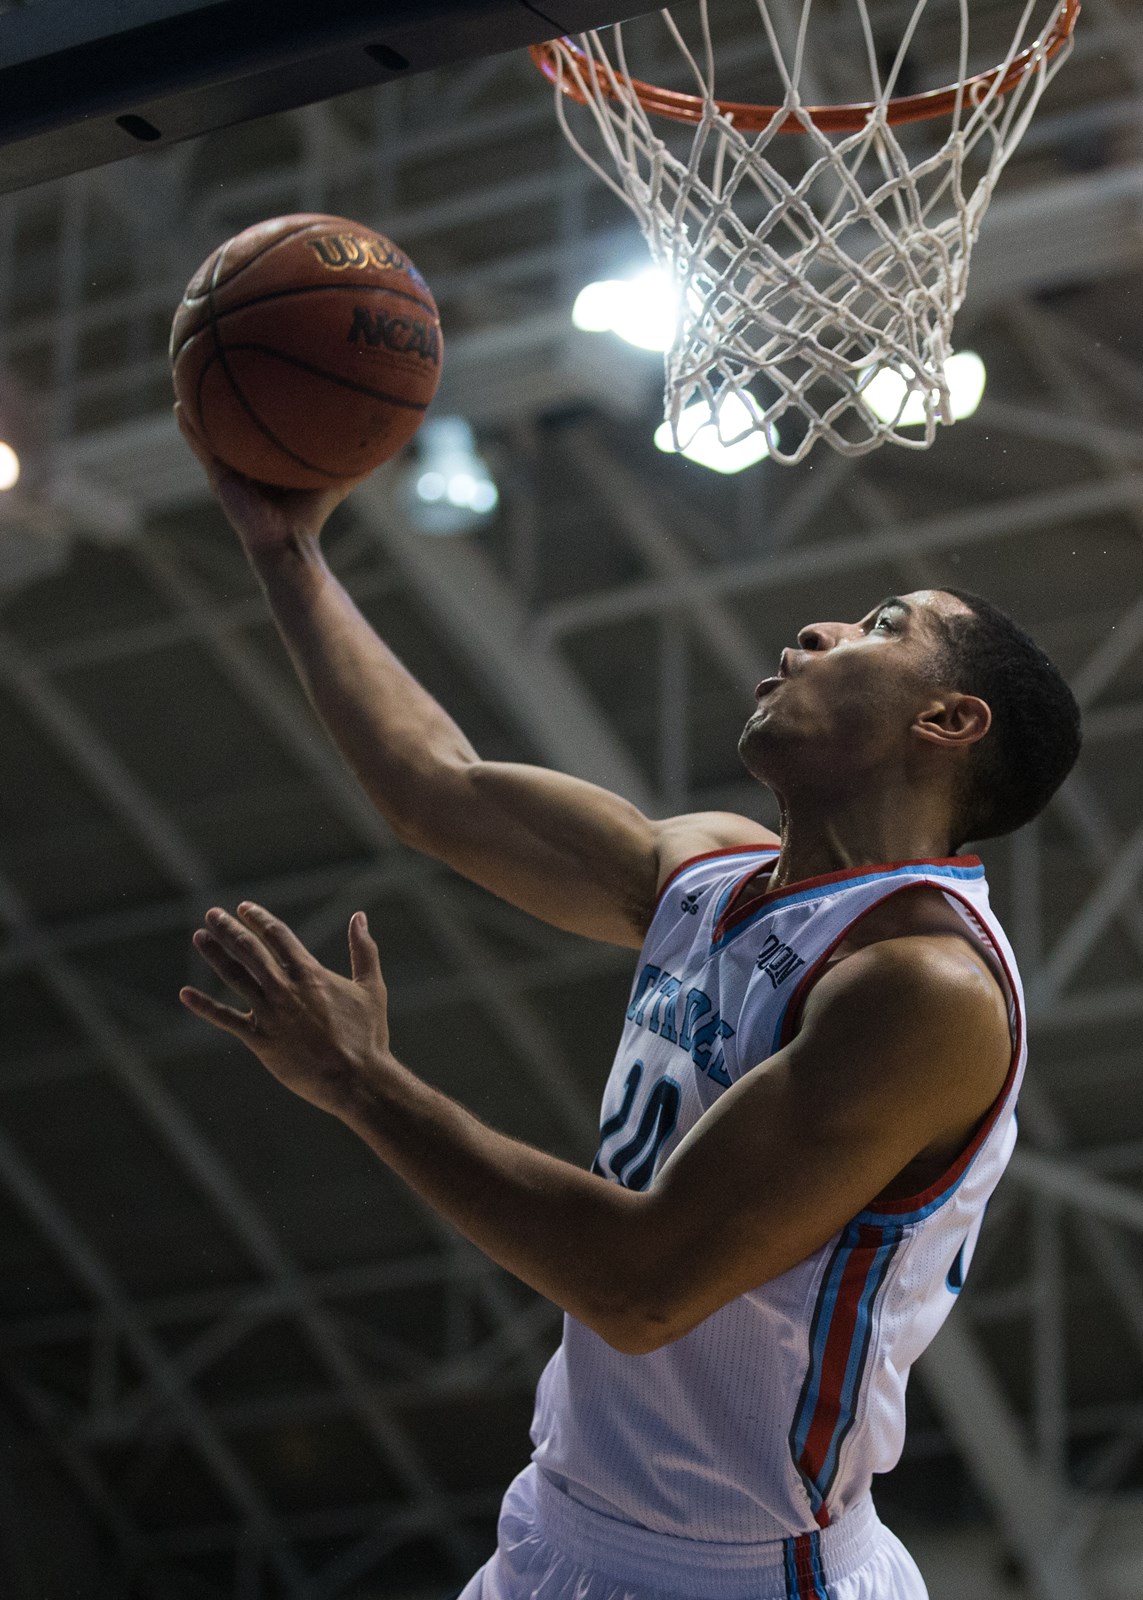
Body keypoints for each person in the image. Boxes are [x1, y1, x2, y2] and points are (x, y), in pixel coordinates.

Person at [176, 411, 1081, 1600]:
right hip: (556, 1526)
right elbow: (435, 786)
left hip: (742, 1575)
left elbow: (639, 1286)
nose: (814, 630)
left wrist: (360, 1080)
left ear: (949, 721)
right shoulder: (710, 871)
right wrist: (287, 551)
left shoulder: (921, 987)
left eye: (880, 628)